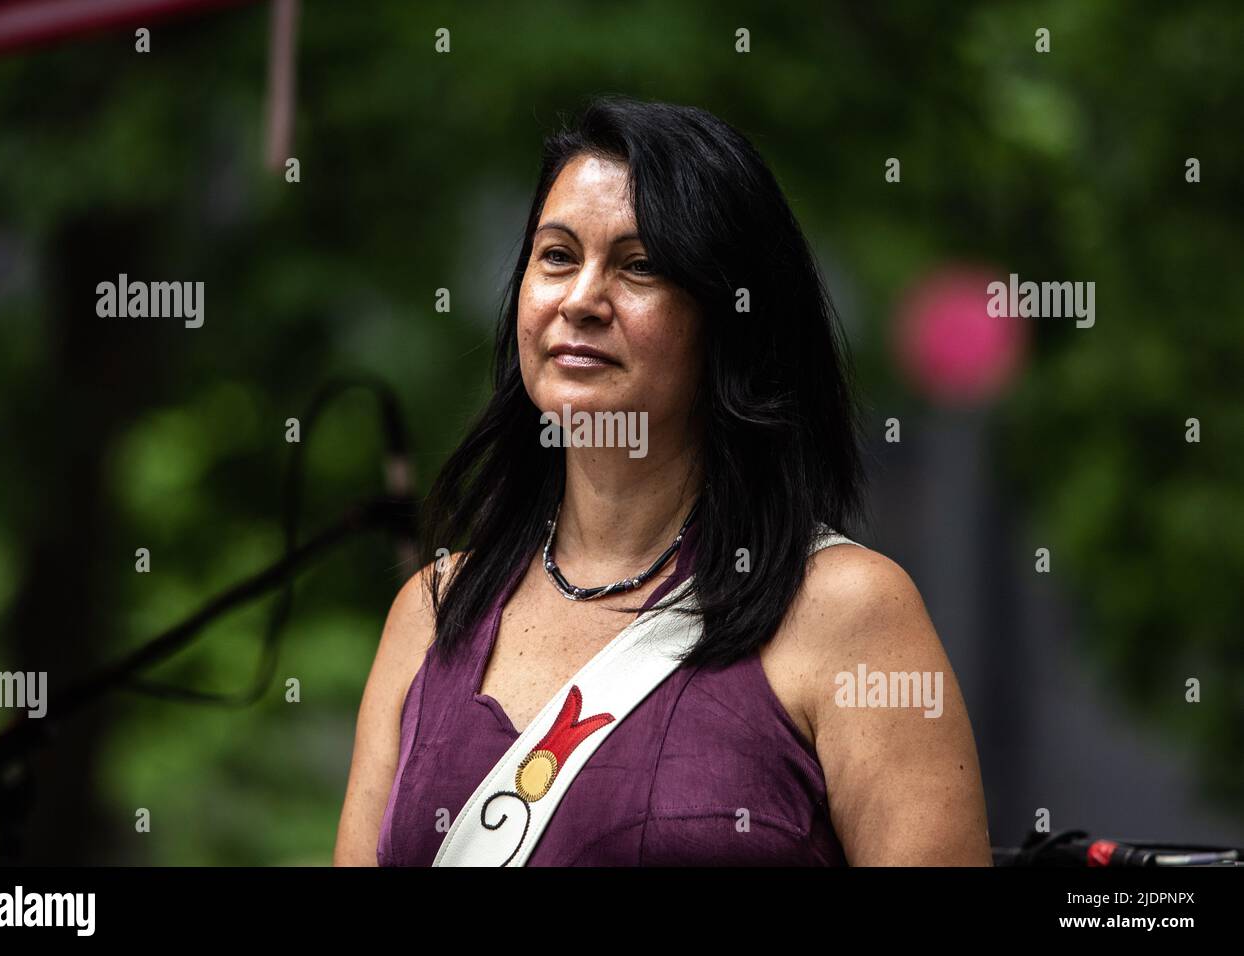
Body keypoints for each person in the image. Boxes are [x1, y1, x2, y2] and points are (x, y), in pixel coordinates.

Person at [334, 96, 991, 866]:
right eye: (556, 256)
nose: (580, 299)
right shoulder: (430, 613)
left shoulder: (846, 612)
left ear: (730, 320)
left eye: (639, 265)